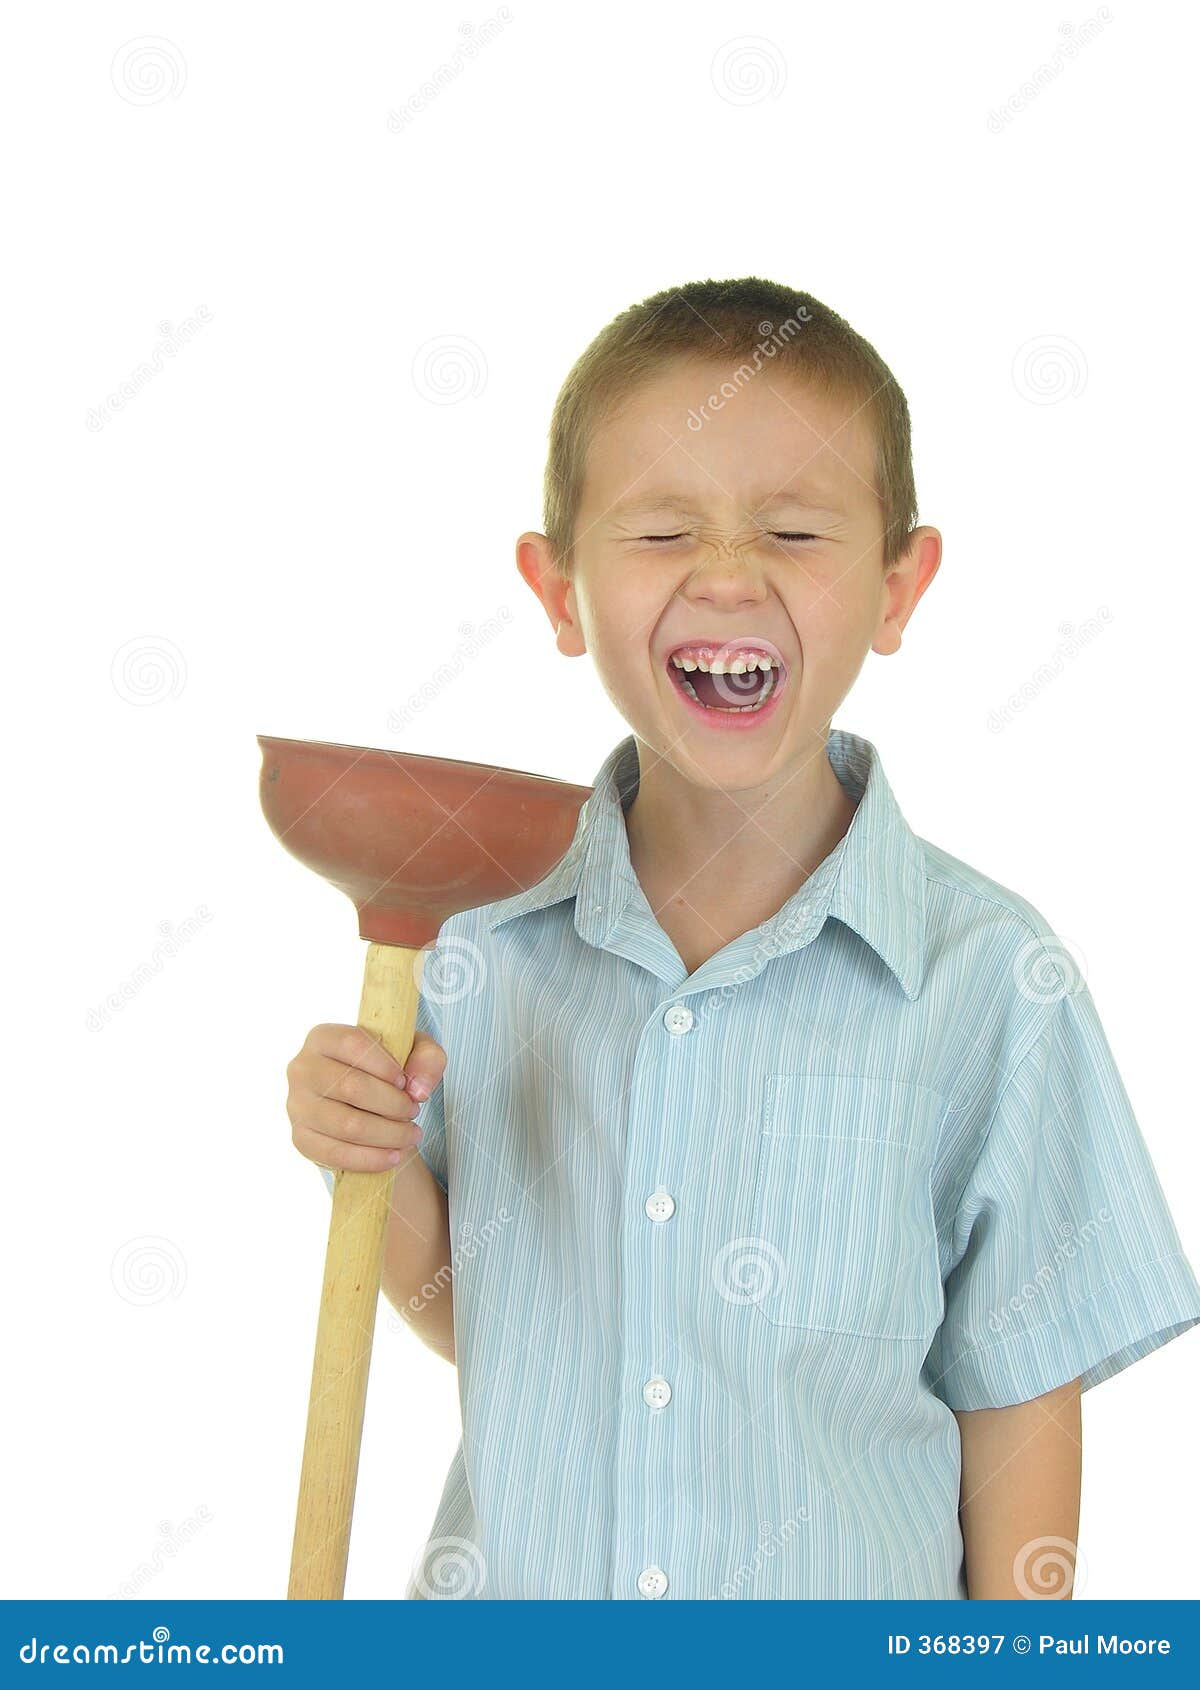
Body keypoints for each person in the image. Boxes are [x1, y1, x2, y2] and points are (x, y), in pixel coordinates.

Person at [285, 277, 1200, 1600]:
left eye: (793, 528)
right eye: (661, 529)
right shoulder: (473, 943)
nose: (727, 572)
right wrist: (376, 1165)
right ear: (558, 591)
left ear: (900, 585)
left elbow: (1021, 1391)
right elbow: (476, 1321)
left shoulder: (991, 975)